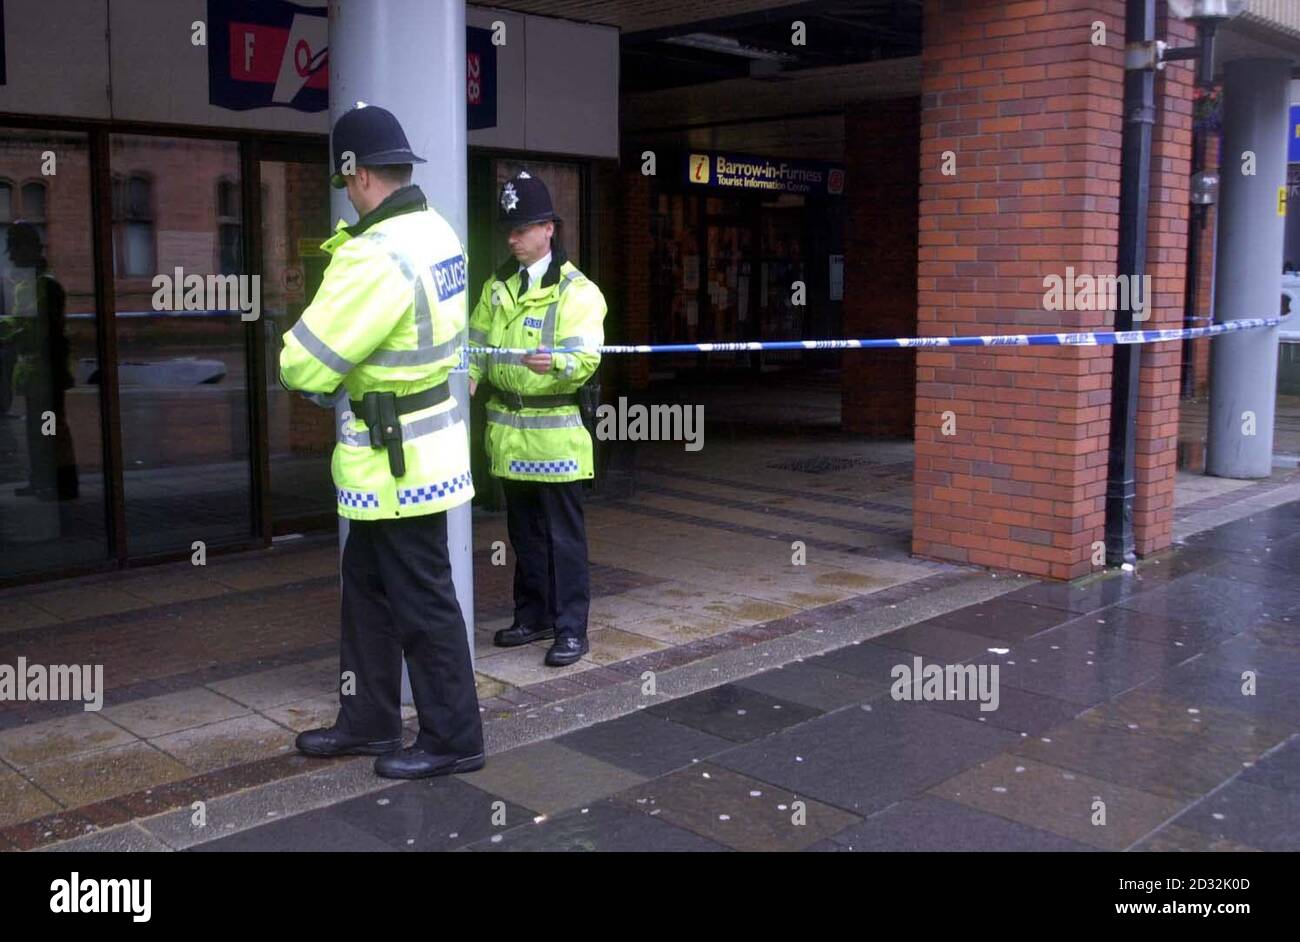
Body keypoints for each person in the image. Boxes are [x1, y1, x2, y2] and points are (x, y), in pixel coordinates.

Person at [279, 103, 483, 779]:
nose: (346, 192)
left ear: (357, 174)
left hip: (396, 463)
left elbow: (303, 363)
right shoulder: (435, 231)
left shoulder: (374, 254)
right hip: (414, 453)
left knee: (422, 603)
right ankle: (368, 721)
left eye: (345, 182)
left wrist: (316, 373)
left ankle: (454, 738)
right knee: (366, 592)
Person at [468, 171, 607, 667]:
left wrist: (561, 364)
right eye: (509, 228)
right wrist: (471, 370)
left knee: (564, 539)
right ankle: (532, 616)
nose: (512, 237)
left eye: (522, 228)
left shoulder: (578, 291)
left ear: (549, 228)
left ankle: (572, 629)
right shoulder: (497, 284)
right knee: (524, 535)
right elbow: (478, 340)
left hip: (555, 437)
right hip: (508, 433)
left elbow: (586, 357)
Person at [0, 222, 78, 501]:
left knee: (51, 428)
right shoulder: (30, 284)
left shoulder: (45, 286)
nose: (11, 257)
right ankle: (43, 481)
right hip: (36, 373)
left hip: (47, 371)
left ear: (31, 249)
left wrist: (8, 333)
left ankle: (62, 484)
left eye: (16, 249)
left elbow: (36, 328)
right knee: (38, 430)